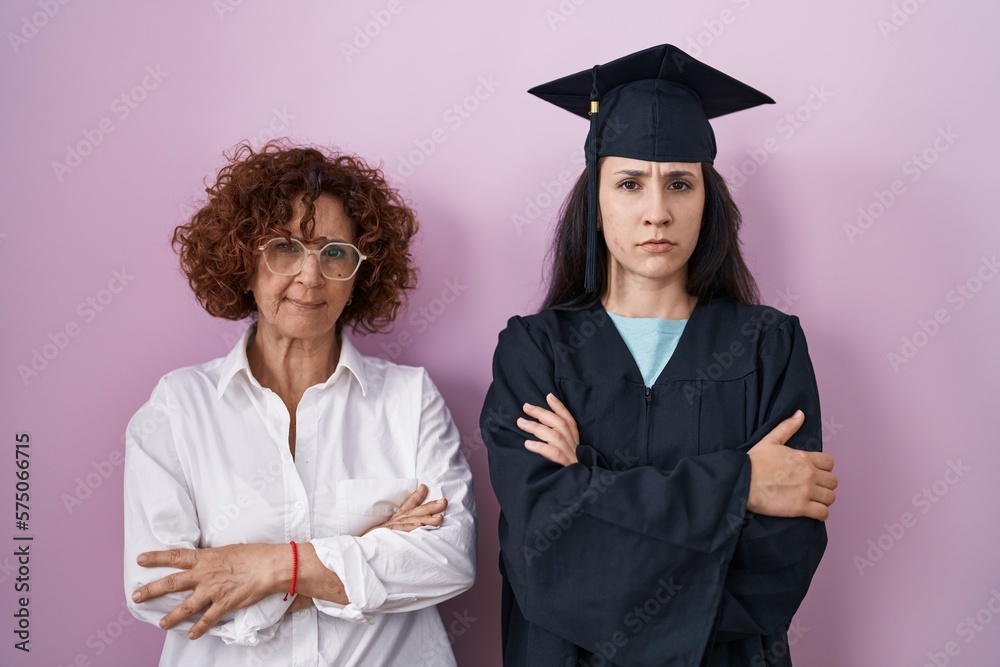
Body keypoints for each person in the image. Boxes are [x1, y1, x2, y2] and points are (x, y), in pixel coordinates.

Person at [481, 45, 837, 666]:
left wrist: (586, 484)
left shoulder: (769, 345)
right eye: (628, 183)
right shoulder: (535, 351)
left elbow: (781, 560)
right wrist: (740, 483)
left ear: (708, 199)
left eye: (680, 183)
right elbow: (541, 556)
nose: (656, 212)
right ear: (596, 200)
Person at [124, 141, 477, 666]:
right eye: (285, 248)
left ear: (359, 276)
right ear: (243, 259)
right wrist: (364, 558)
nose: (311, 277)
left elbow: (449, 558)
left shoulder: (410, 398)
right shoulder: (179, 406)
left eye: (335, 253)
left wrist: (271, 568)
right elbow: (162, 589)